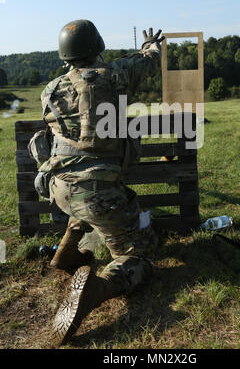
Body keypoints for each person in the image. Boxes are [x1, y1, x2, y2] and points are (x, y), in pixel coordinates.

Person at [38, 20, 164, 346]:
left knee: (84, 195)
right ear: (98, 45)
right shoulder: (117, 74)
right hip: (99, 194)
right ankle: (99, 288)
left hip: (60, 190)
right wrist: (151, 47)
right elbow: (148, 61)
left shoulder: (49, 90)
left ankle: (64, 255)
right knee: (142, 254)